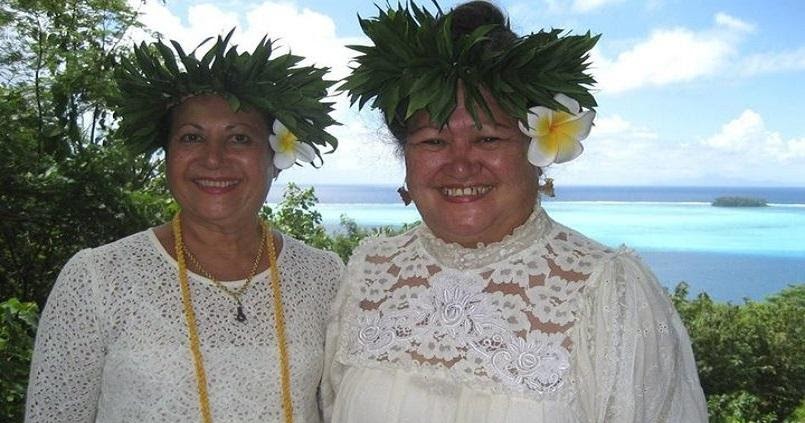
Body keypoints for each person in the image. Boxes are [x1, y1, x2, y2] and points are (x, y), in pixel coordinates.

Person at [322, 2, 708, 422]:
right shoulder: (369, 272)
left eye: (488, 139)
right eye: (433, 141)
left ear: (536, 153)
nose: (461, 164)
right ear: (406, 159)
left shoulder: (606, 291)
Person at [25, 31, 343, 423]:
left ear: (273, 157)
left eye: (239, 138)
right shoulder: (97, 279)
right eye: (192, 137)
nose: (213, 159)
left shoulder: (325, 276)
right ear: (168, 156)